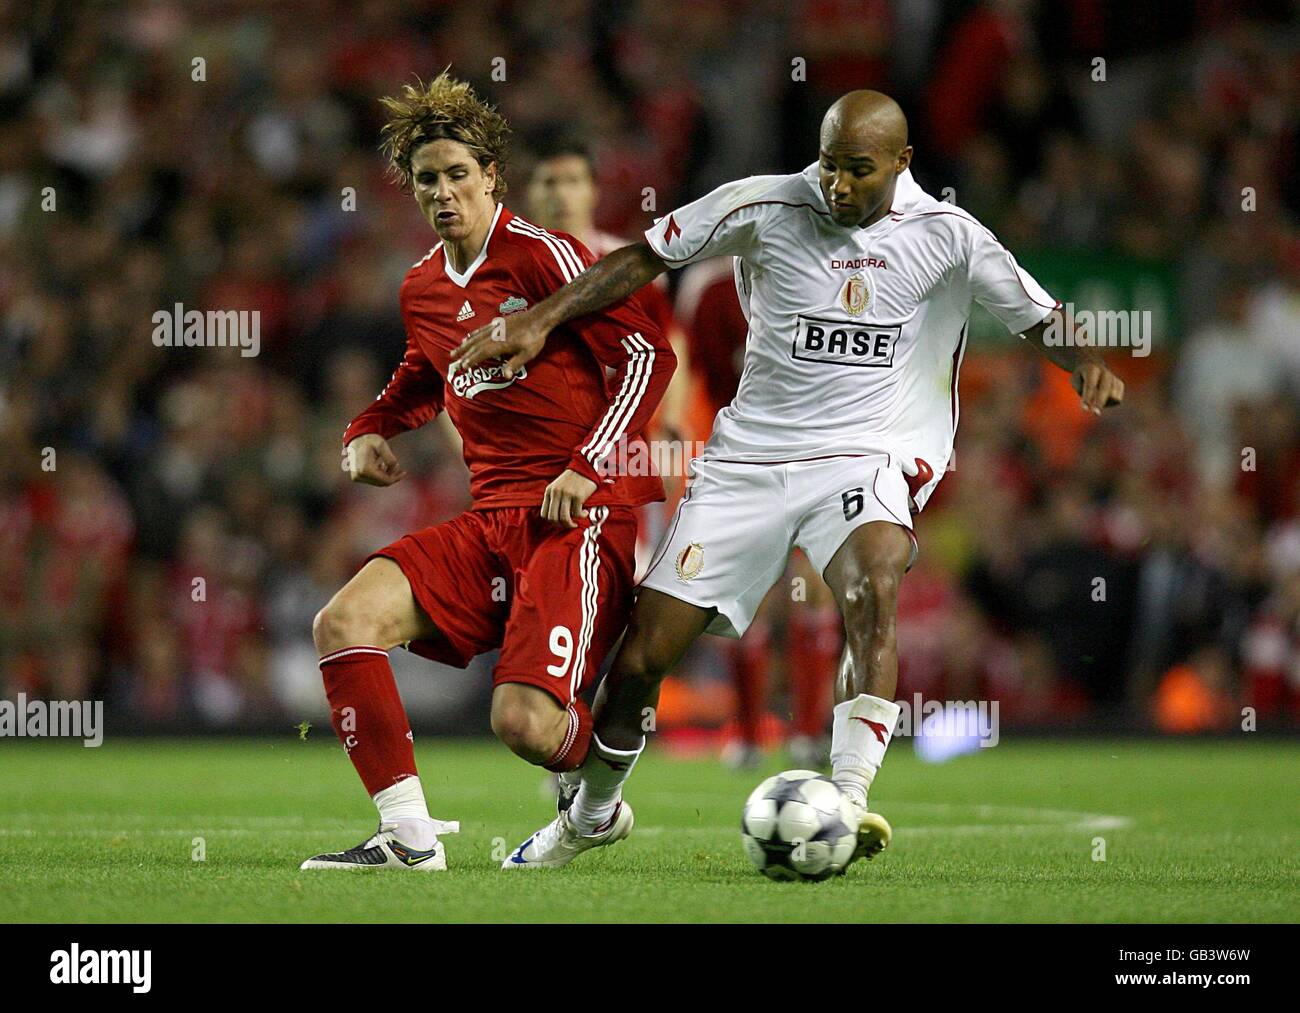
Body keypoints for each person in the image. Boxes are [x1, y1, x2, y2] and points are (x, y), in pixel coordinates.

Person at [456, 89, 1124, 871]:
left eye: (858, 171)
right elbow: (645, 255)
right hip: (748, 461)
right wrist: (541, 319)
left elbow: (1036, 311)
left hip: (866, 452)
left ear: (903, 164)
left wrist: (1086, 362)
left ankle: (847, 796)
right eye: (830, 164)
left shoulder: (950, 236)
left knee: (874, 577)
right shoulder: (767, 203)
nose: (837, 185)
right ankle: (591, 815)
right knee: (642, 660)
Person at [300, 72, 674, 872]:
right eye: (427, 178)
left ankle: (606, 777)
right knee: (342, 623)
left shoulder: (542, 255)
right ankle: (408, 838)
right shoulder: (422, 286)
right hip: (491, 519)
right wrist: (367, 426)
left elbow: (646, 353)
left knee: (525, 726)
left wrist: (588, 463)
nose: (443, 192)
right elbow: (422, 373)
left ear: (492, 176)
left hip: (579, 514)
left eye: (458, 173)